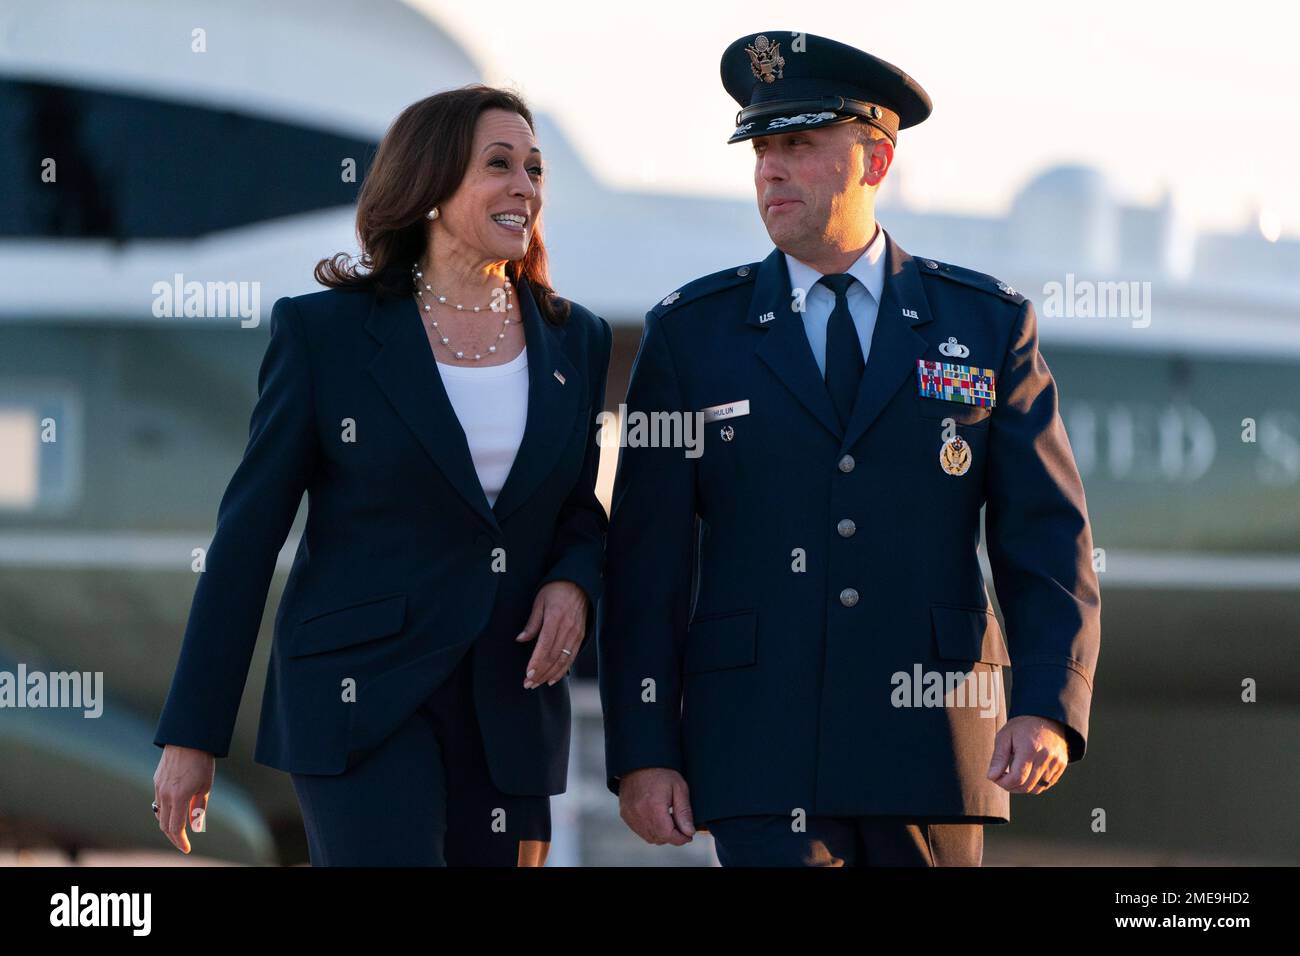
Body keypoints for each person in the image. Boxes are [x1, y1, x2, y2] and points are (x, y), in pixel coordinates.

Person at [599, 32, 1101, 866]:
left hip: (935, 746)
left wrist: (1048, 702)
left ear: (875, 162)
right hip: (759, 747)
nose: (769, 169)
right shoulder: (692, 335)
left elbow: (1047, 539)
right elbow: (646, 563)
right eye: (761, 148)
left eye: (797, 144)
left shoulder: (985, 324)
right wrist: (644, 750)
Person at [152, 85, 612, 866]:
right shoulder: (324, 333)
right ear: (430, 186)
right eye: (498, 165)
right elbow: (248, 536)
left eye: (534, 169)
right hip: (357, 699)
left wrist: (574, 582)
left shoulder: (577, 341)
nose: (524, 187)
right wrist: (192, 735)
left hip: (510, 701)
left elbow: (577, 507)